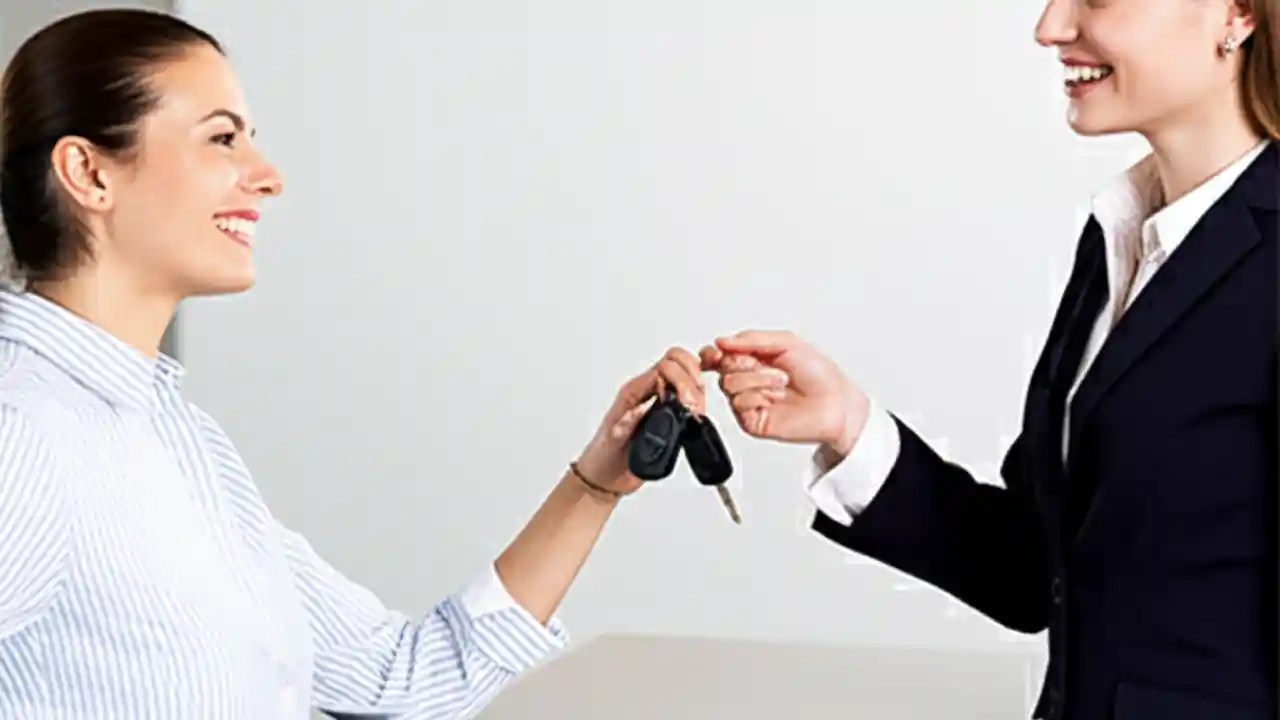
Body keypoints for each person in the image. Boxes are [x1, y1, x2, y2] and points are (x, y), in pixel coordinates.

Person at [0, 9, 713, 719]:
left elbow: (408, 682)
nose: (267, 177)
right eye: (223, 139)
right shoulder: (24, 432)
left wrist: (595, 485)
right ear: (88, 172)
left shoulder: (180, 443)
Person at [705, 1, 1277, 719]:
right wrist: (851, 427)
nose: (1051, 26)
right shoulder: (1123, 238)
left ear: (1238, 13)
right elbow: (1036, 573)